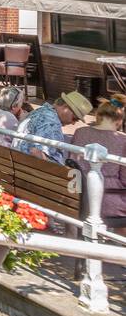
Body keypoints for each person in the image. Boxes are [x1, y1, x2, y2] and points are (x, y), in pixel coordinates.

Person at [70, 96, 126, 230]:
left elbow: (71, 161)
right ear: (119, 121)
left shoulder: (80, 132)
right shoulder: (122, 141)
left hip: (75, 195)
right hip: (107, 201)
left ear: (98, 116)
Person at [14, 91, 93, 164]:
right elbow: (36, 152)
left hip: (19, 167)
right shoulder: (51, 124)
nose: (73, 123)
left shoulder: (41, 110)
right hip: (33, 173)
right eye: (74, 118)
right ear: (65, 108)